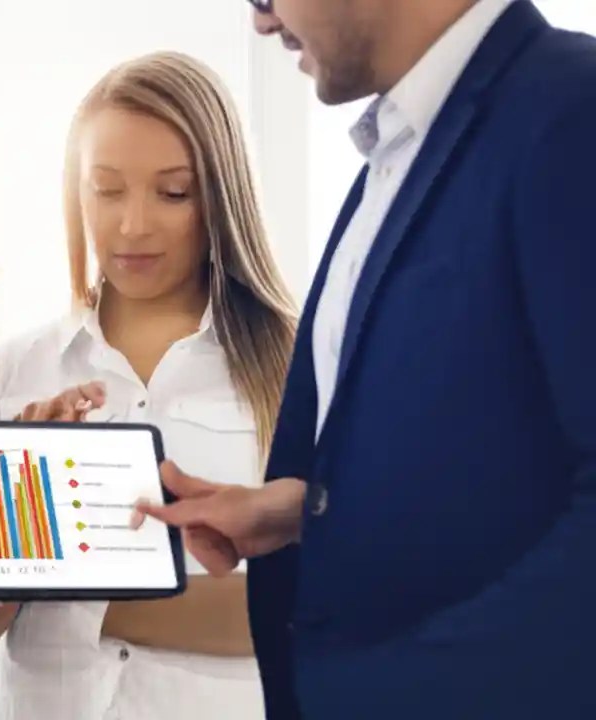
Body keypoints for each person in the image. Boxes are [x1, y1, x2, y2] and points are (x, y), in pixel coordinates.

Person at [125, 0, 596, 718]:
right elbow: (494, 456)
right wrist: (304, 510)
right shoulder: (400, 154)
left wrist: (379, 694)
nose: (260, 21)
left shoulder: (571, 114)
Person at [0, 51, 297, 719]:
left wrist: (78, 594)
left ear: (220, 196)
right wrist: (25, 492)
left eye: (173, 192)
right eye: (107, 190)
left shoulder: (302, 362)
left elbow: (306, 611)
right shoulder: (10, 373)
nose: (133, 225)